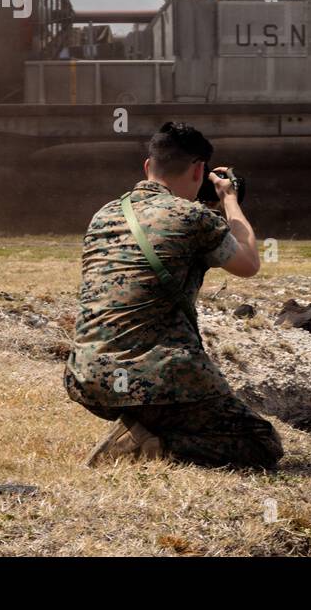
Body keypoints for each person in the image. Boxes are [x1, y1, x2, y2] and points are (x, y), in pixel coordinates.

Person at [64, 121, 283, 470]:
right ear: (199, 170)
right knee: (261, 444)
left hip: (87, 378)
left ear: (148, 166)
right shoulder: (194, 217)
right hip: (154, 377)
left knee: (170, 407)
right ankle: (148, 445)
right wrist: (228, 199)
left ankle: (142, 426)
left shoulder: (104, 214)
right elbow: (248, 263)